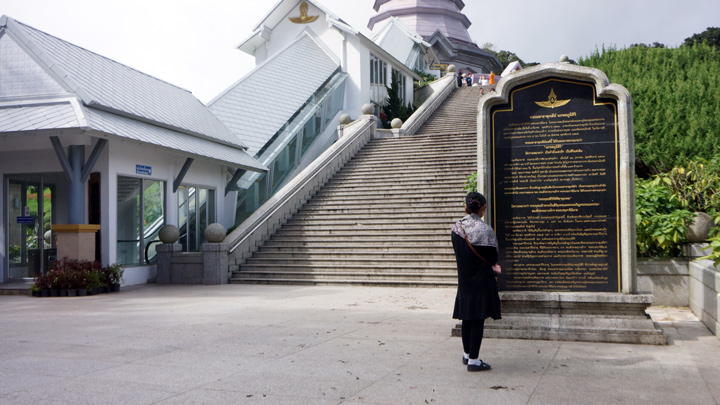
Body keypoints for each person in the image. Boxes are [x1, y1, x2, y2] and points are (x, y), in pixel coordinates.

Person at [451, 191, 502, 372]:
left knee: (467, 317)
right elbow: (493, 257)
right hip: (481, 281)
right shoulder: (486, 230)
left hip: (464, 281)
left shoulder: (456, 228)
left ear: (466, 206)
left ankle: (467, 355)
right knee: (478, 319)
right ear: (482, 208)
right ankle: (474, 360)